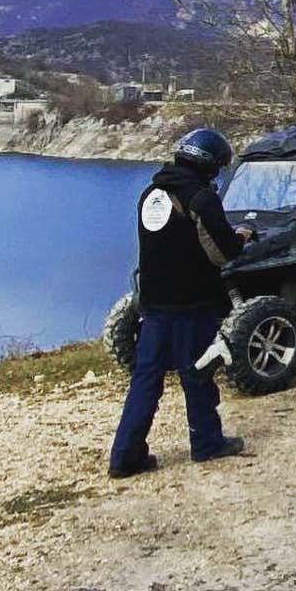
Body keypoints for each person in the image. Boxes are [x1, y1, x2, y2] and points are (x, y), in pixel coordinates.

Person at [107, 128, 252, 480]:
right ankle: (207, 443)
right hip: (192, 302)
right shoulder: (201, 198)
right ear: (210, 165)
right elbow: (222, 253)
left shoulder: (151, 194)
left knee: (146, 380)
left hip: (153, 304)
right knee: (197, 374)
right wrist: (242, 237)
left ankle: (125, 457)